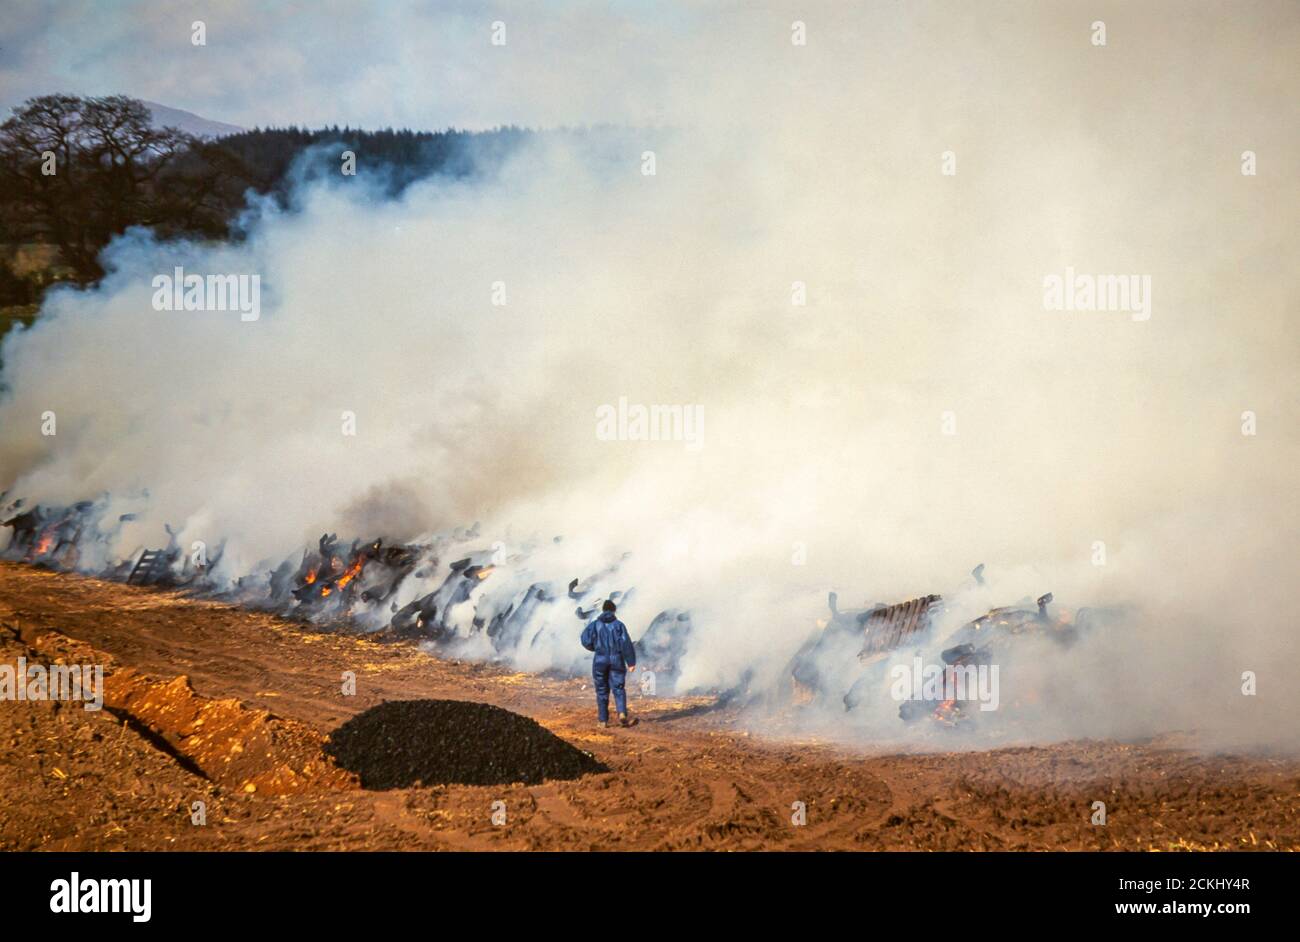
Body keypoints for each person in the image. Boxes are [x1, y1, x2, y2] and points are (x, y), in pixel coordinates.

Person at [580, 599, 638, 728]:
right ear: (613, 610)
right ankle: (622, 713)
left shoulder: (594, 625)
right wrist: (631, 662)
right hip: (616, 659)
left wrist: (594, 647)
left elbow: (584, 639)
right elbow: (626, 644)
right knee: (618, 688)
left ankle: (602, 721)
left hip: (600, 659)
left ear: (603, 610)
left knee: (601, 690)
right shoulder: (619, 625)